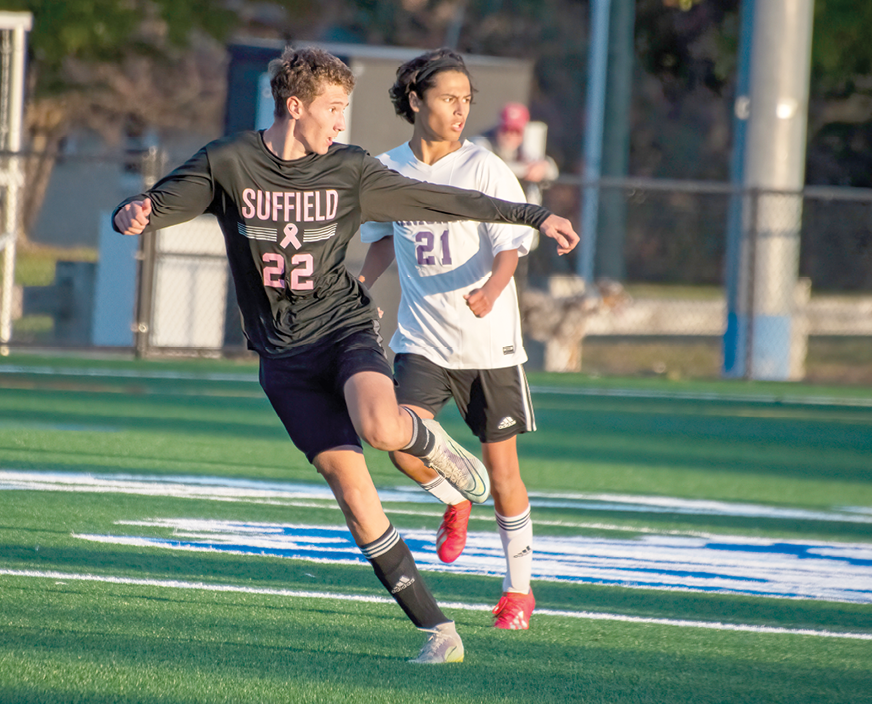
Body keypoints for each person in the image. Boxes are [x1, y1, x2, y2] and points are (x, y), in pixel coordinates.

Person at [112, 46, 579, 662]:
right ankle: (438, 632)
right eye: (333, 109)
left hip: (342, 329)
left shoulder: (351, 168)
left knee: (384, 427)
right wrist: (134, 214)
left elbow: (444, 202)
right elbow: (157, 204)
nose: (341, 123)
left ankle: (431, 444)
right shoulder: (231, 161)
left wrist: (534, 213)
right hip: (282, 360)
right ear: (294, 106)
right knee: (356, 501)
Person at [358, 49, 576, 631]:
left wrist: (492, 287)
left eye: (466, 100)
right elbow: (382, 238)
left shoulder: (482, 168)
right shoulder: (387, 168)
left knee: (502, 472)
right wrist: (361, 283)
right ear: (415, 100)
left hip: (489, 348)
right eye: (448, 98)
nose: (460, 109)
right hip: (421, 340)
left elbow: (513, 241)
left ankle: (518, 592)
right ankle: (455, 497)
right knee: (397, 442)